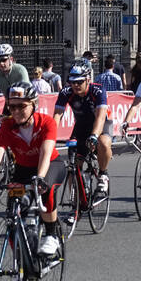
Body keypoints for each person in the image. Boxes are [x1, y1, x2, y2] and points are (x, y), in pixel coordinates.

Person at [0, 81, 66, 260]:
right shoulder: (7, 125)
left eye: (21, 106)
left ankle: (51, 234)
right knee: (13, 215)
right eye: (11, 106)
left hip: (50, 164)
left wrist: (40, 177)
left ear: (34, 105)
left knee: (46, 189)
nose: (15, 111)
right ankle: (21, 267)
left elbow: (46, 152)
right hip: (23, 169)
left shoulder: (46, 123)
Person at [54, 60, 112, 200]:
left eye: (79, 82)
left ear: (88, 80)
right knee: (73, 165)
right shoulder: (66, 92)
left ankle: (103, 174)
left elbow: (100, 117)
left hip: (101, 124)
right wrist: (49, 136)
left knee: (103, 142)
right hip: (80, 126)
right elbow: (57, 116)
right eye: (73, 82)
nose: (75, 85)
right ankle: (75, 201)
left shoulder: (98, 90)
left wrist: (94, 135)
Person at [0, 44, 30, 112]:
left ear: (11, 59)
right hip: (9, 103)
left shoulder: (20, 70)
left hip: (25, 102)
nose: (1, 63)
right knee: (4, 121)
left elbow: (26, 91)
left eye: (4, 60)